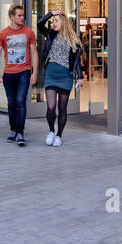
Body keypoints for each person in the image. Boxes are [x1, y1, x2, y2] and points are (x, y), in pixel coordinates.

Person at [37, 8, 83, 146]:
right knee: (51, 107)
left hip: (65, 78)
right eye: (52, 22)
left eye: (56, 21)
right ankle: (51, 131)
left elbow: (77, 62)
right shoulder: (50, 34)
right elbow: (39, 24)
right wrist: (52, 13)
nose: (53, 24)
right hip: (51, 75)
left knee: (62, 108)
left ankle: (59, 135)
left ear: (63, 22)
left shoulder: (73, 40)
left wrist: (80, 77)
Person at [0, 3, 37, 146]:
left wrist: (34, 72)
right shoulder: (3, 34)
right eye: (19, 15)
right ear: (11, 17)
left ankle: (20, 132)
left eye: (22, 15)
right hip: (9, 74)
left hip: (24, 72)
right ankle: (13, 130)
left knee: (20, 101)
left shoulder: (29, 32)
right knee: (11, 103)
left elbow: (34, 53)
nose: (22, 18)